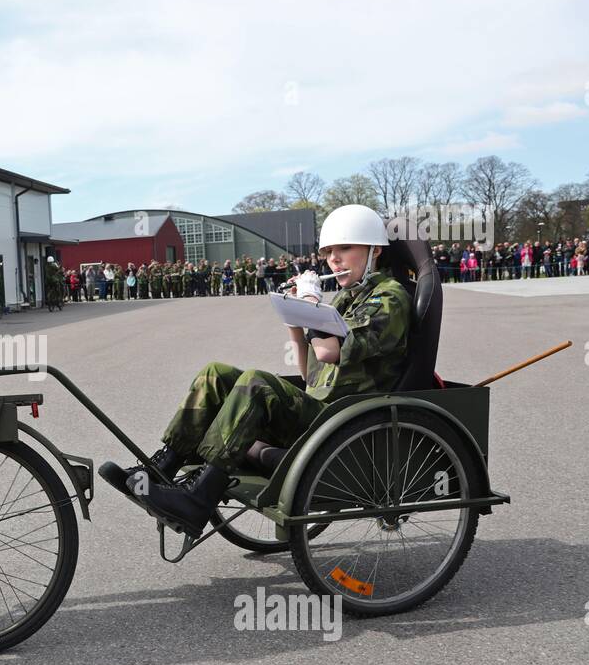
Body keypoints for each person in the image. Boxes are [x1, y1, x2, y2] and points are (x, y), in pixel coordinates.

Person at [99, 204, 411, 535]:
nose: (333, 259)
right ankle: (160, 471)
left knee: (256, 383)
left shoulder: (388, 298)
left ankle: (197, 497)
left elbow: (328, 351)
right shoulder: (349, 297)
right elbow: (311, 374)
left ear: (375, 250)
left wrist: (309, 304)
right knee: (215, 374)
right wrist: (295, 319)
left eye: (345, 248)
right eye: (329, 251)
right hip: (323, 409)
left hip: (346, 421)